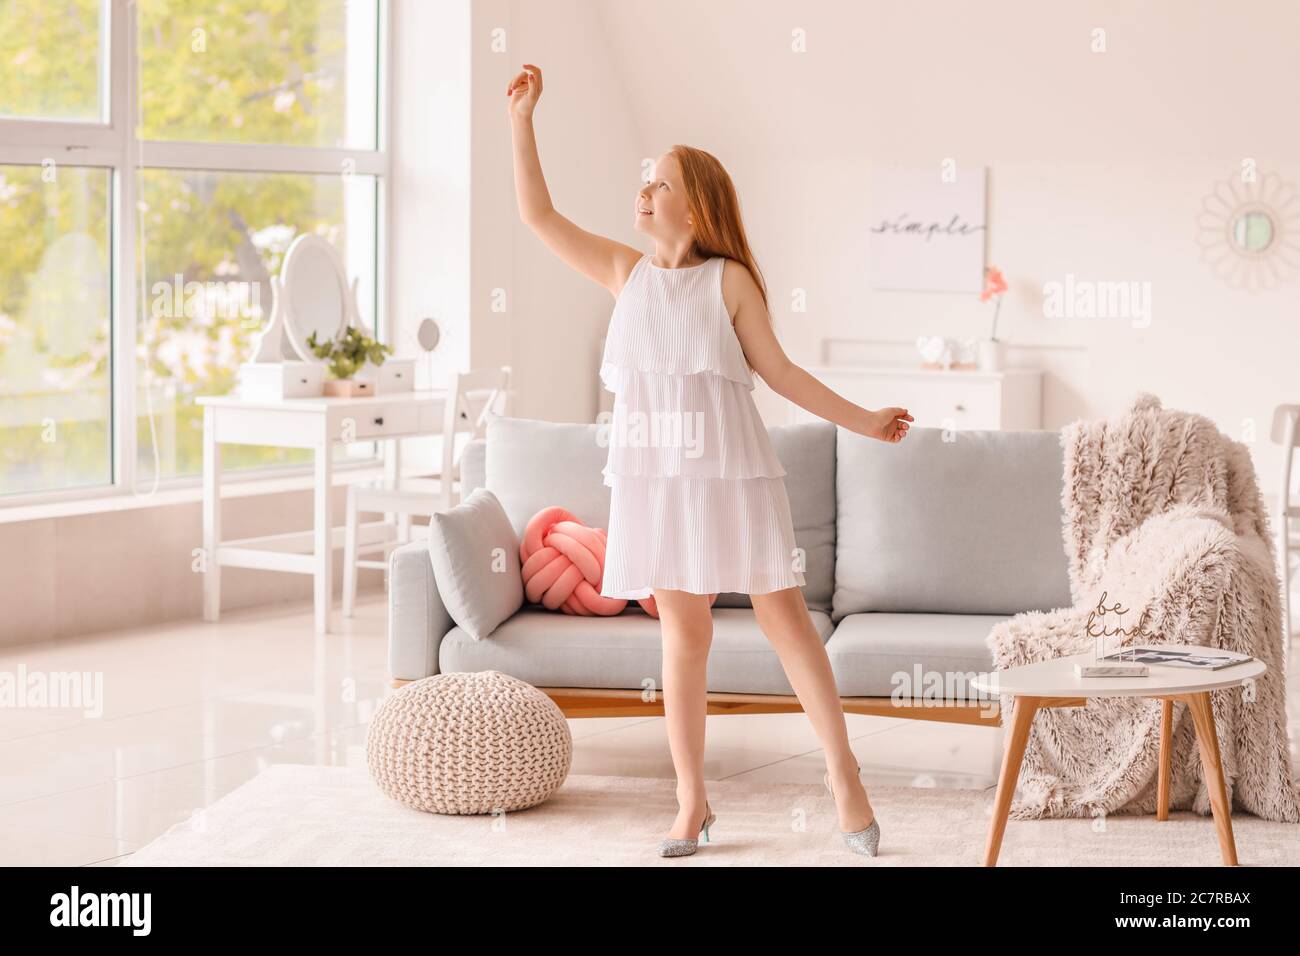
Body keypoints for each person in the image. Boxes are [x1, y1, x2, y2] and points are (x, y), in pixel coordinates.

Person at [507, 63, 912, 858]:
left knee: (786, 621)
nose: (644, 193)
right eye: (643, 181)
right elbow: (538, 215)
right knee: (681, 637)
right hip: (656, 481)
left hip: (732, 475)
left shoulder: (728, 282)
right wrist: (523, 118)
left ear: (697, 203)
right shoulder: (624, 274)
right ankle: (691, 800)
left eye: (660, 183)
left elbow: (784, 374)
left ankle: (843, 776)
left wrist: (865, 420)